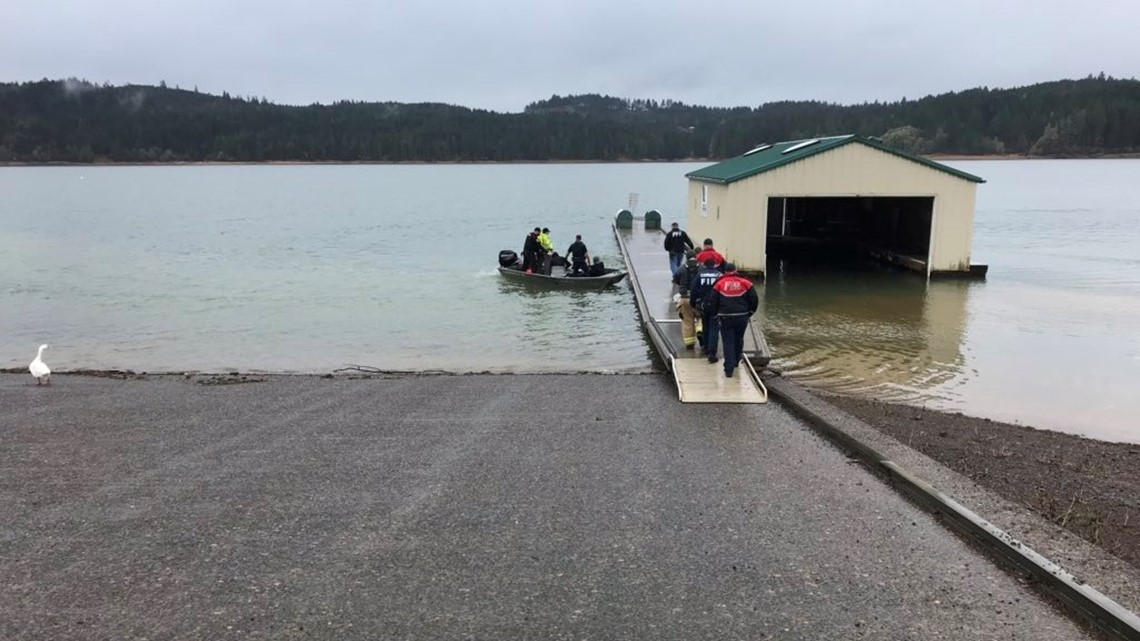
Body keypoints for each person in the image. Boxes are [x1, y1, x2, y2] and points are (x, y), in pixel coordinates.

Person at [705, 262, 759, 378]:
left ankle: (728, 369)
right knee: (739, 339)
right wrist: (751, 311)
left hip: (725, 316)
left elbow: (712, 300)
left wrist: (715, 314)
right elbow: (754, 298)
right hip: (742, 315)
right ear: (735, 270)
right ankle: (736, 362)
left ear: (725, 272)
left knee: (728, 341)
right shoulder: (746, 282)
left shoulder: (719, 284)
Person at [689, 257, 723, 362]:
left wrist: (693, 303)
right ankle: (712, 351)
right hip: (716, 306)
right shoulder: (719, 275)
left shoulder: (700, 275)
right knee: (714, 327)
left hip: (703, 305)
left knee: (705, 325)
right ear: (715, 264)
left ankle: (705, 347)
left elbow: (694, 290)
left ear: (705, 265)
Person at [671, 248, 700, 348]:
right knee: (701, 317)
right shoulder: (702, 267)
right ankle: (701, 330)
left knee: (687, 320)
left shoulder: (682, 268)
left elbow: (675, 279)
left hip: (685, 297)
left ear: (686, 258)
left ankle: (689, 343)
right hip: (698, 298)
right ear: (696, 257)